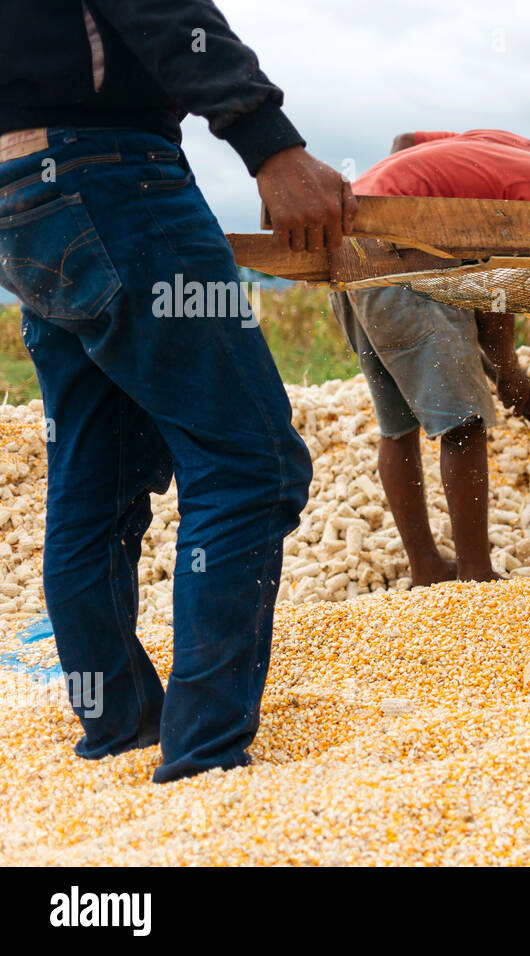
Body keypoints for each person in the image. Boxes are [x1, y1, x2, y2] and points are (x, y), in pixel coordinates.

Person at [0, 0, 356, 782]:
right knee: (251, 465)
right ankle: (204, 758)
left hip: (24, 194)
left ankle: (119, 725)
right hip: (116, 179)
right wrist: (270, 145)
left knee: (96, 482)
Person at [331, 122, 530, 584]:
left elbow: (403, 144)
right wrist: (506, 364)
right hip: (411, 261)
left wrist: (404, 206)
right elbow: (500, 286)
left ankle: (427, 569)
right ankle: (476, 576)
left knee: (398, 428)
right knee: (464, 423)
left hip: (349, 249)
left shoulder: (509, 145)